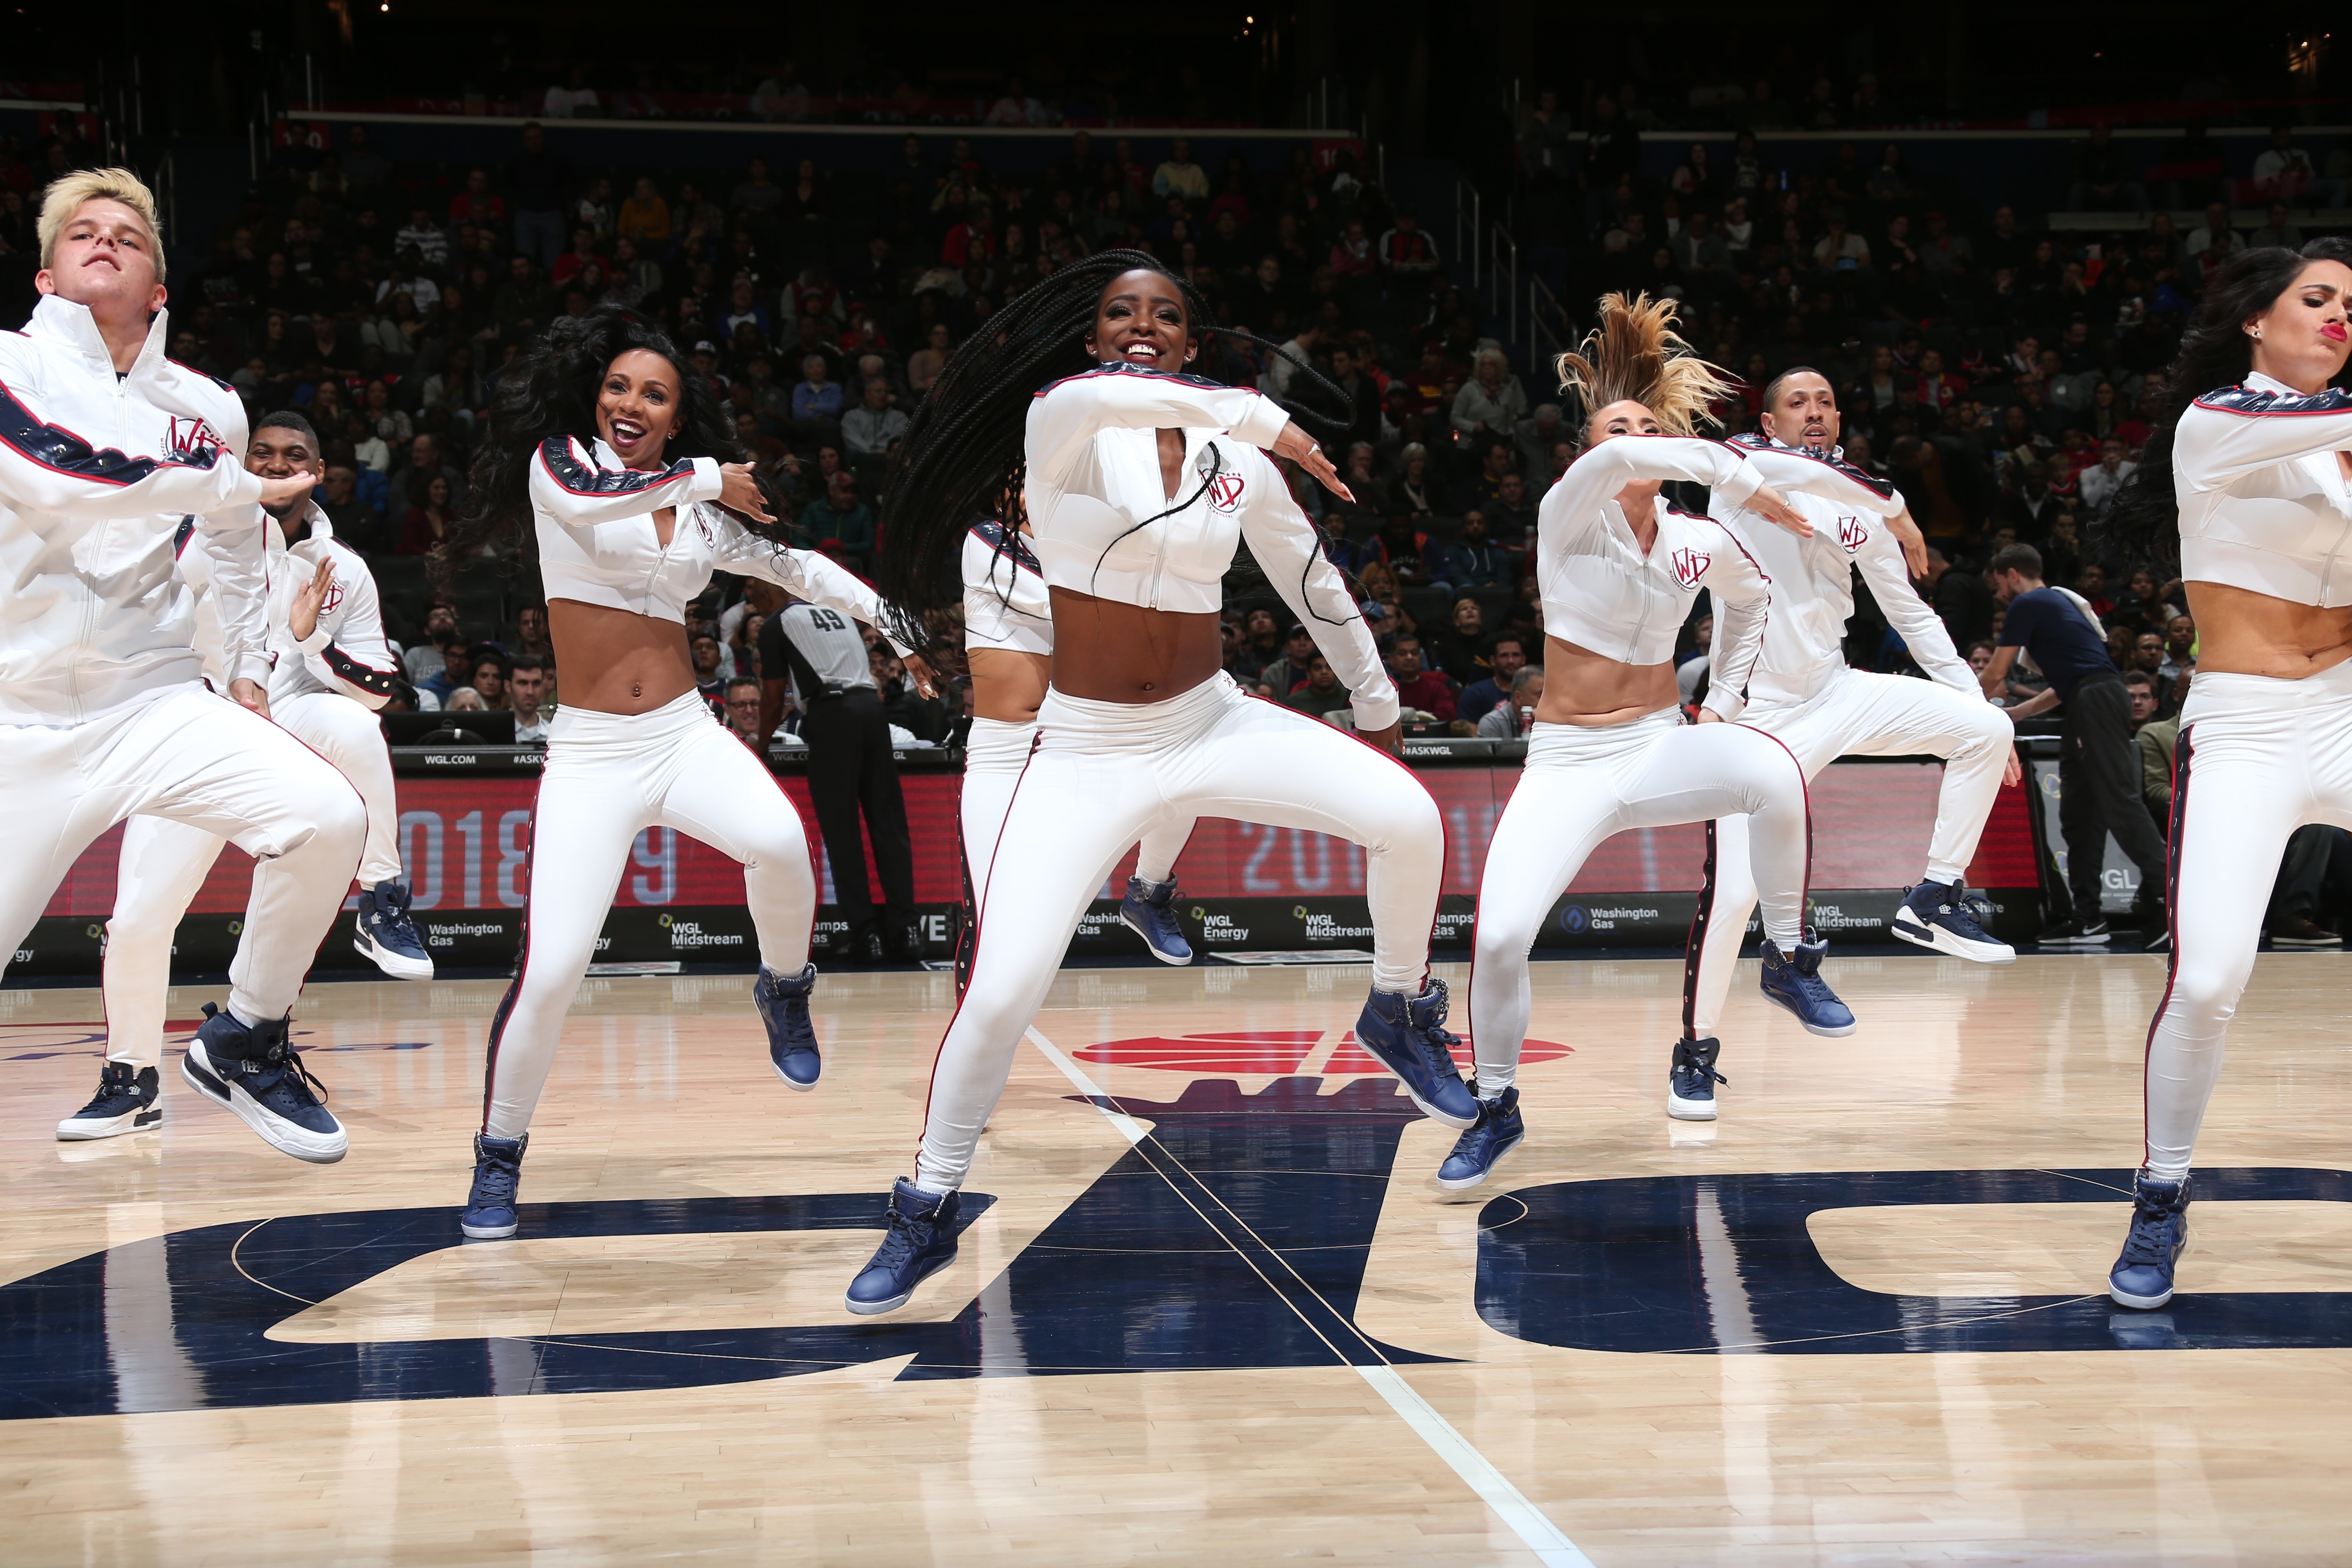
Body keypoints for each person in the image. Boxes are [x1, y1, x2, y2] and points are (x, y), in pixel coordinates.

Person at [851, 250, 1455, 1314]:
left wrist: (1376, 702)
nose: (1143, 325)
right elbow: (1102, 396)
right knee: (998, 990)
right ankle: (929, 1203)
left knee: (1409, 819)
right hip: (1084, 750)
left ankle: (1398, 1008)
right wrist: (1263, 415)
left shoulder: (1233, 461)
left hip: (1209, 718)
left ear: (1190, 337)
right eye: (1121, 313)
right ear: (1095, 340)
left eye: (1166, 314)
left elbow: (1310, 582)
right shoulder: (1067, 425)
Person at [445, 307, 929, 1242]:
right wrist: (710, 474)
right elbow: (596, 508)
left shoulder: (700, 516)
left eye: (654, 394)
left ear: (675, 415)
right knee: (549, 973)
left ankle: (784, 986)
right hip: (590, 752)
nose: (632, 402)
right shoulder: (563, 468)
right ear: (596, 397)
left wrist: (893, 622)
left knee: (783, 842)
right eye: (619, 386)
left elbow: (802, 568)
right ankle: (498, 1156)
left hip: (681, 732)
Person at [1450, 293, 1856, 1192]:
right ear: (1588, 454)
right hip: (1566, 763)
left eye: (1643, 424)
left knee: (1773, 768)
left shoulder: (1698, 538)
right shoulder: (1567, 513)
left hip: (1658, 744)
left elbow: (1751, 603)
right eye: (1614, 429)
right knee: (1501, 936)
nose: (1631, 438)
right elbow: (1639, 452)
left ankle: (1790, 957)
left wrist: (1725, 697)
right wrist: (1743, 474)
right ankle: (1498, 1104)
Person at [5, 170, 367, 1158]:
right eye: (83, 232)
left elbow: (236, 553)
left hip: (156, 698)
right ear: (46, 275)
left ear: (159, 288)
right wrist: (230, 479)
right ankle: (134, 1072)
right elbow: (58, 473)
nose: (106, 241)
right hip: (17, 720)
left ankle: (246, 1034)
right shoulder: (7, 367)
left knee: (328, 814)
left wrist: (248, 676)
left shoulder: (209, 406)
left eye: (128, 235)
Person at [2098, 239, 2352, 1310]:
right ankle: (2159, 1195)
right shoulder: (2217, 422)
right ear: (2258, 317)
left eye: (2351, 304)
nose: (2340, 314)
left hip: (2343, 710)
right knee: (2205, 982)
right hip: (2245, 729)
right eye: (2319, 296)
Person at [61, 410, 429, 1146]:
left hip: (290, 728)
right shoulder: (194, 536)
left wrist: (308, 636)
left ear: (318, 472)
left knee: (356, 727)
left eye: (294, 455)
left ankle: (382, 898)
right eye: (260, 453)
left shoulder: (341, 568)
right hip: (194, 740)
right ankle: (131, 1081)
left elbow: (381, 691)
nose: (275, 464)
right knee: (136, 920)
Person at [1679, 370, 2020, 1121]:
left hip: (1834, 692)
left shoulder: (1857, 510)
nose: (1815, 413)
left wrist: (1974, 703)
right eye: (1798, 403)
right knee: (1735, 894)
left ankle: (1933, 897)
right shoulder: (1742, 470)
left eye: (1828, 402)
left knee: (1989, 728)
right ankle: (1697, 1051)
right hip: (1752, 712)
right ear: (1769, 422)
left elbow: (1914, 616)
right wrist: (1895, 506)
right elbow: (1794, 471)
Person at [959, 513, 1198, 975]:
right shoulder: (987, 538)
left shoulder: (1087, 552)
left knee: (1181, 771)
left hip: (1078, 738)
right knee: (992, 920)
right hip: (1005, 750)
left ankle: (1148, 893)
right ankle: (979, 1030)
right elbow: (1066, 607)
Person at [1980, 543, 2167, 946]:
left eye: (2000, 585)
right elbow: (2065, 686)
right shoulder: (2055, 606)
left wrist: (1965, 705)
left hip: (2096, 698)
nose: (2000, 595)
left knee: (2120, 802)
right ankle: (2088, 919)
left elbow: (1996, 671)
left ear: (2013, 574)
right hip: (2086, 698)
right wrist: (2015, 715)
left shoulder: (2029, 602)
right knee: (2079, 814)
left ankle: (2176, 905)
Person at [757, 590, 918, 963]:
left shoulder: (777, 622)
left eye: (756, 589)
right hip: (872, 711)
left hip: (833, 715)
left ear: (775, 589)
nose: (755, 599)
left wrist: (759, 746)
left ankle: (867, 934)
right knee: (888, 823)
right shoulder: (839, 613)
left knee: (842, 831)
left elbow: (770, 696)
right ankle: (907, 930)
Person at [508, 653, 552, 742]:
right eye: (523, 683)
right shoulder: (494, 735)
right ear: (508, 686)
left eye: (536, 683)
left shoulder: (554, 736)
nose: (530, 692)